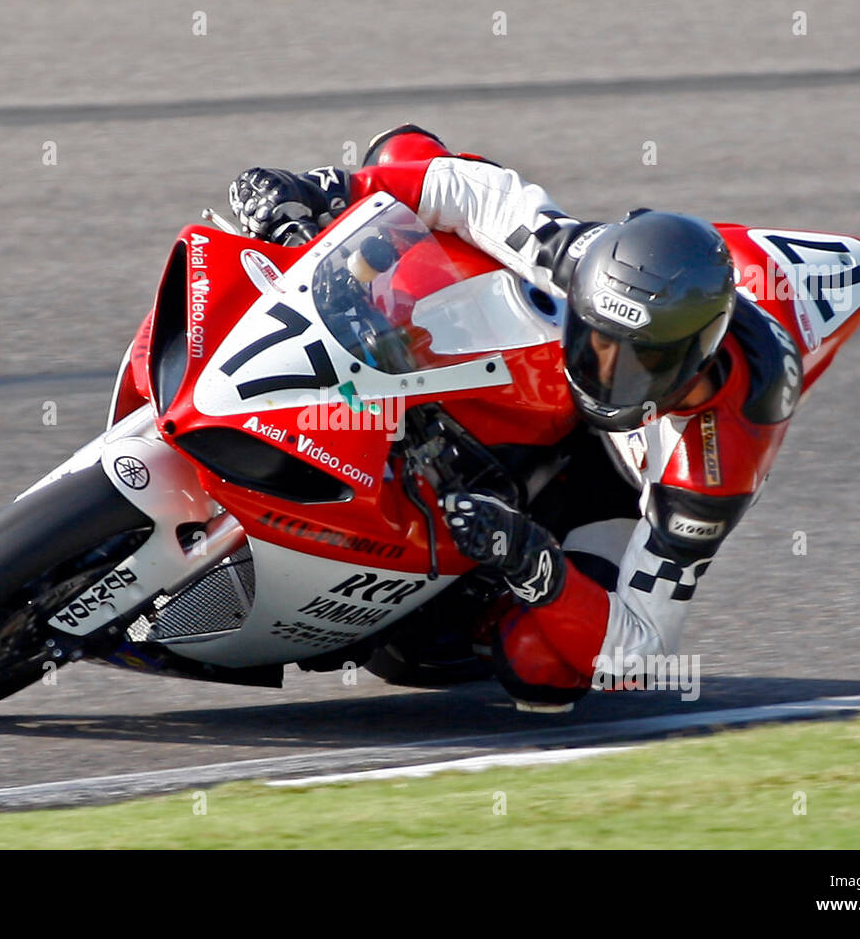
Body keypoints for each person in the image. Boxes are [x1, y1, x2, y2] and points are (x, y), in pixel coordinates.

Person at [228, 125, 801, 711]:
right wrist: (325, 190)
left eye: (634, 361)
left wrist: (532, 558)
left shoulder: (710, 467)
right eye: (596, 340)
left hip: (617, 485)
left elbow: (643, 652)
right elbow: (474, 190)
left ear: (692, 359)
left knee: (543, 665)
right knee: (404, 158)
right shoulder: (584, 261)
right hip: (578, 338)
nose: (603, 369)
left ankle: (476, 606)